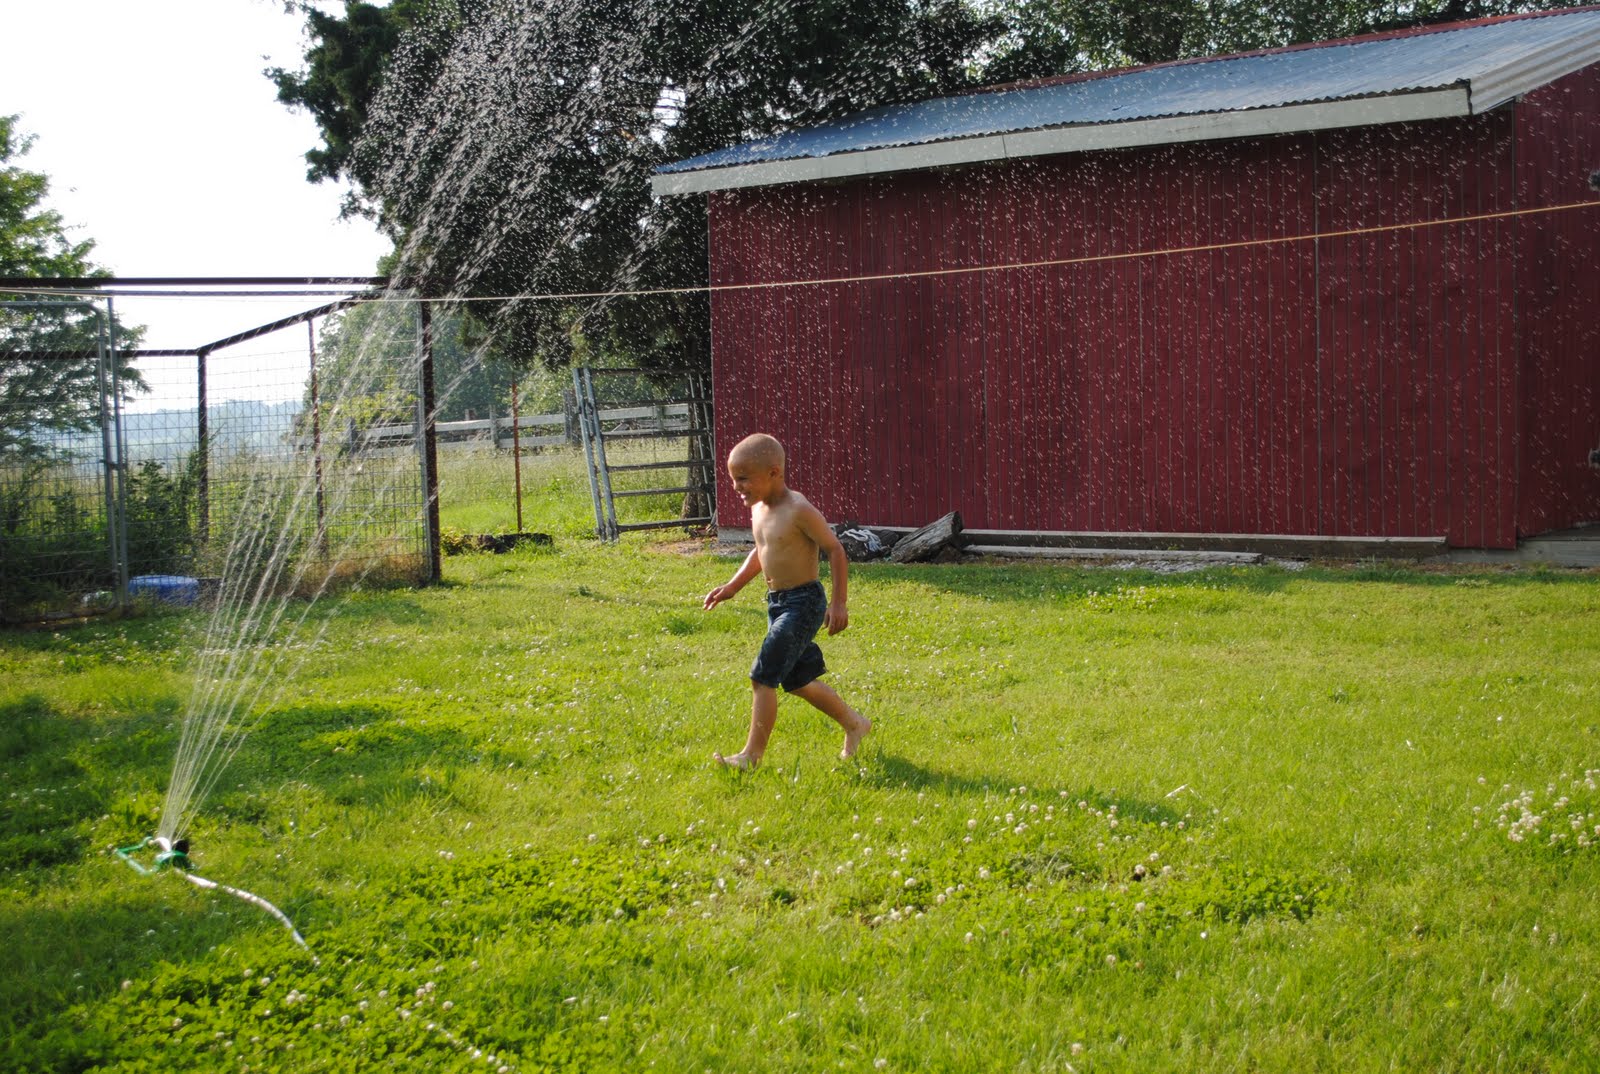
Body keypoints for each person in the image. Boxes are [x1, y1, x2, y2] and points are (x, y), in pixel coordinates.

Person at [702, 433, 871, 769]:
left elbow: (835, 550)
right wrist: (733, 586)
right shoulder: (760, 509)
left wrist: (838, 603)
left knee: (762, 676)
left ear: (774, 473)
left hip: (803, 603)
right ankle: (856, 724)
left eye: (744, 479)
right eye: (734, 479)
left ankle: (751, 756)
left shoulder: (798, 509)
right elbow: (761, 551)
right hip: (777, 604)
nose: (738, 488)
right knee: (798, 681)